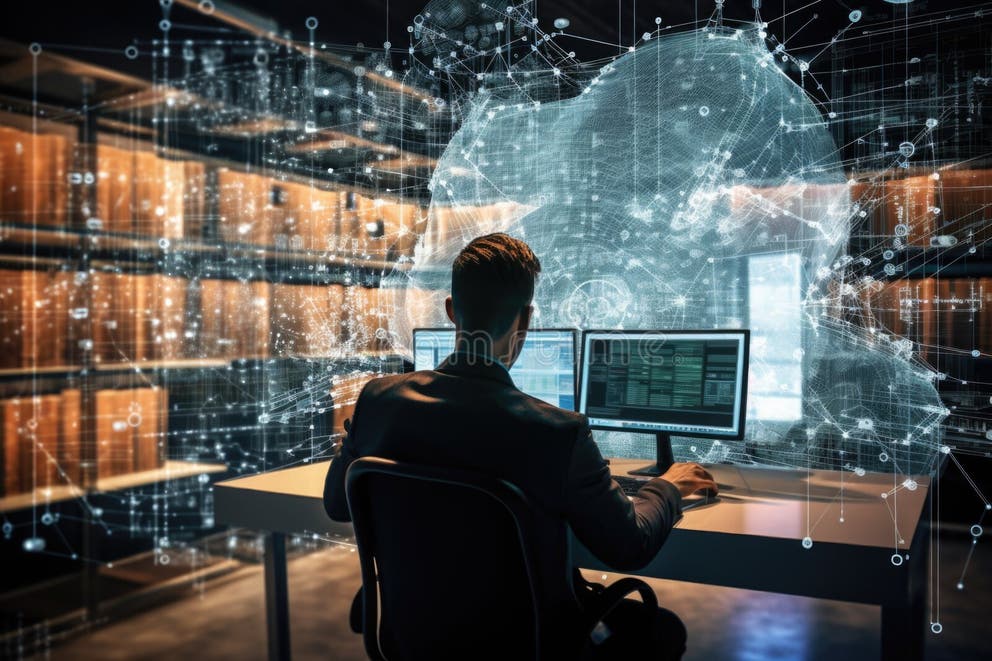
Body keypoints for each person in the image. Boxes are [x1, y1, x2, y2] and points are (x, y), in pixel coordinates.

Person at [324, 232, 717, 659]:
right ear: (526, 320)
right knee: (661, 631)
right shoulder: (557, 432)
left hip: (414, 639)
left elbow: (336, 503)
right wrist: (668, 488)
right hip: (527, 647)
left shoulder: (377, 400)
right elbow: (628, 546)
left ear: (451, 312)